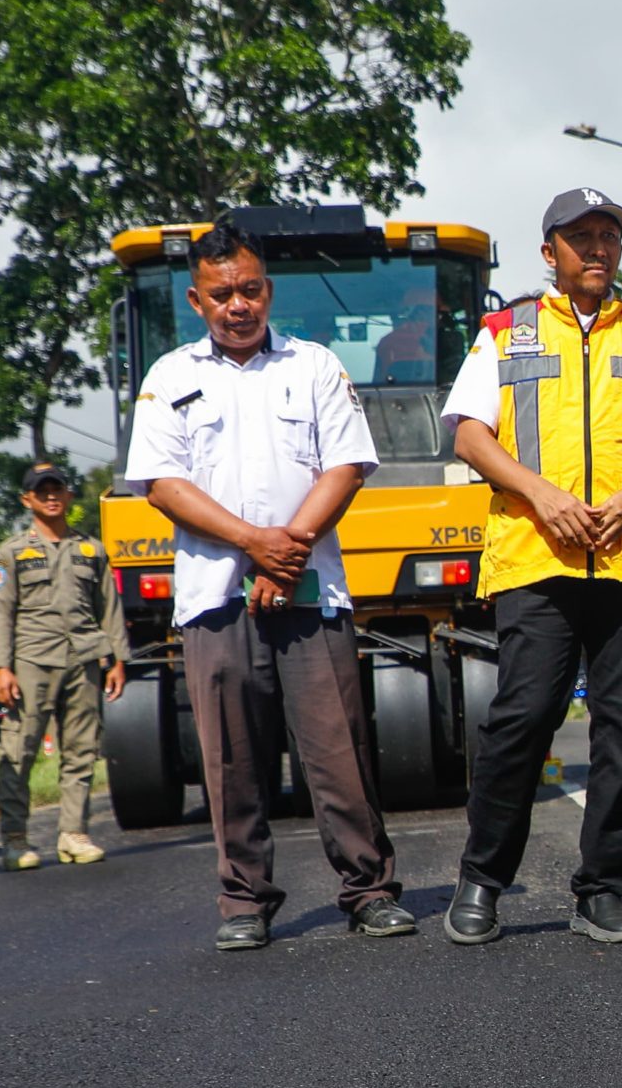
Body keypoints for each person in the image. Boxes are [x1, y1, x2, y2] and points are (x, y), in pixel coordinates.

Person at [125, 219, 413, 950]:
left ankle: (370, 891)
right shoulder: (169, 378)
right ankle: (245, 901)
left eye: (250, 290)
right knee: (230, 759)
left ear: (268, 291)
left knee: (338, 749)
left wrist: (289, 553)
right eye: (222, 294)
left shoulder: (313, 367)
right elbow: (162, 485)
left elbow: (345, 467)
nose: (239, 305)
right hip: (217, 599)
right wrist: (257, 545)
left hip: (311, 595)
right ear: (197, 299)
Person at [440, 189, 622, 947]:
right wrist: (540, 495)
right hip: (535, 555)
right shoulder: (505, 332)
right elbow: (469, 436)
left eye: (608, 237)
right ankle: (482, 879)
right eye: (580, 237)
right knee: (522, 719)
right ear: (549, 251)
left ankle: (602, 888)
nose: (597, 249)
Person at [0, 461, 129, 872]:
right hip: (30, 661)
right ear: (26, 499)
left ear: (68, 495)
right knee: (20, 750)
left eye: (57, 488)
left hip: (83, 658)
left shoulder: (91, 549)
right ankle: (15, 840)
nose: (50, 496)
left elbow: (109, 607)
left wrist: (117, 658)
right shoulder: (11, 552)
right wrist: (0, 667)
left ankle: (73, 834)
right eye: (41, 490)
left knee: (81, 751)